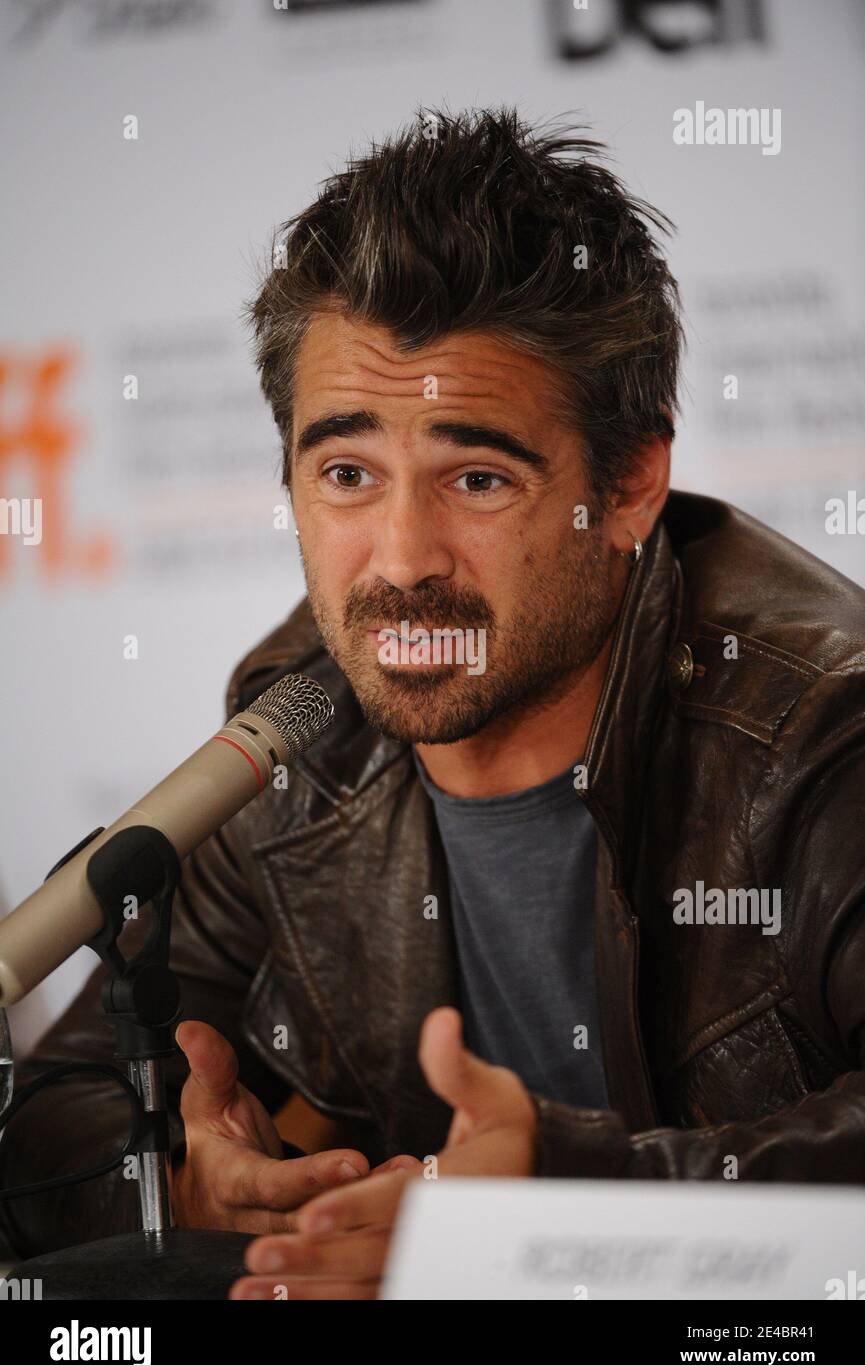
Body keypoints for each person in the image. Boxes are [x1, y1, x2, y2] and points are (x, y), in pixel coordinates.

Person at [1, 107, 863, 1302]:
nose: (401, 558)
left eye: (475, 476)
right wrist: (181, 1178)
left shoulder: (821, 733)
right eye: (347, 474)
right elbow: (59, 1105)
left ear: (628, 487)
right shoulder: (303, 731)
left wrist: (562, 1218)